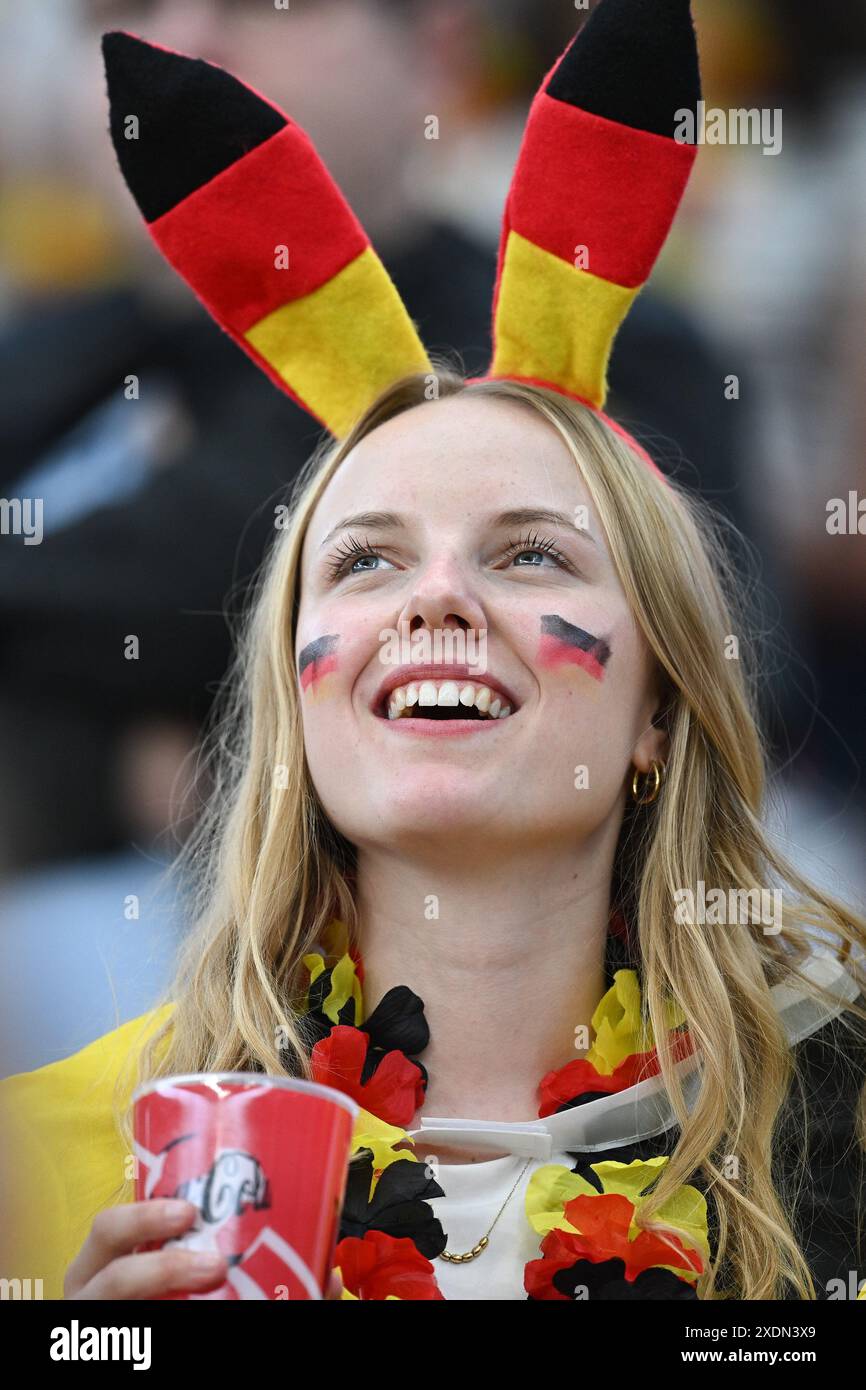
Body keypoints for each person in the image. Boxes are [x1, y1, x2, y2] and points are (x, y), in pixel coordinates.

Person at [2, 0, 864, 1303]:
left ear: (658, 703)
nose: (437, 597)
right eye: (364, 559)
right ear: (293, 704)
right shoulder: (49, 1161)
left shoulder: (837, 1123)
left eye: (531, 554)